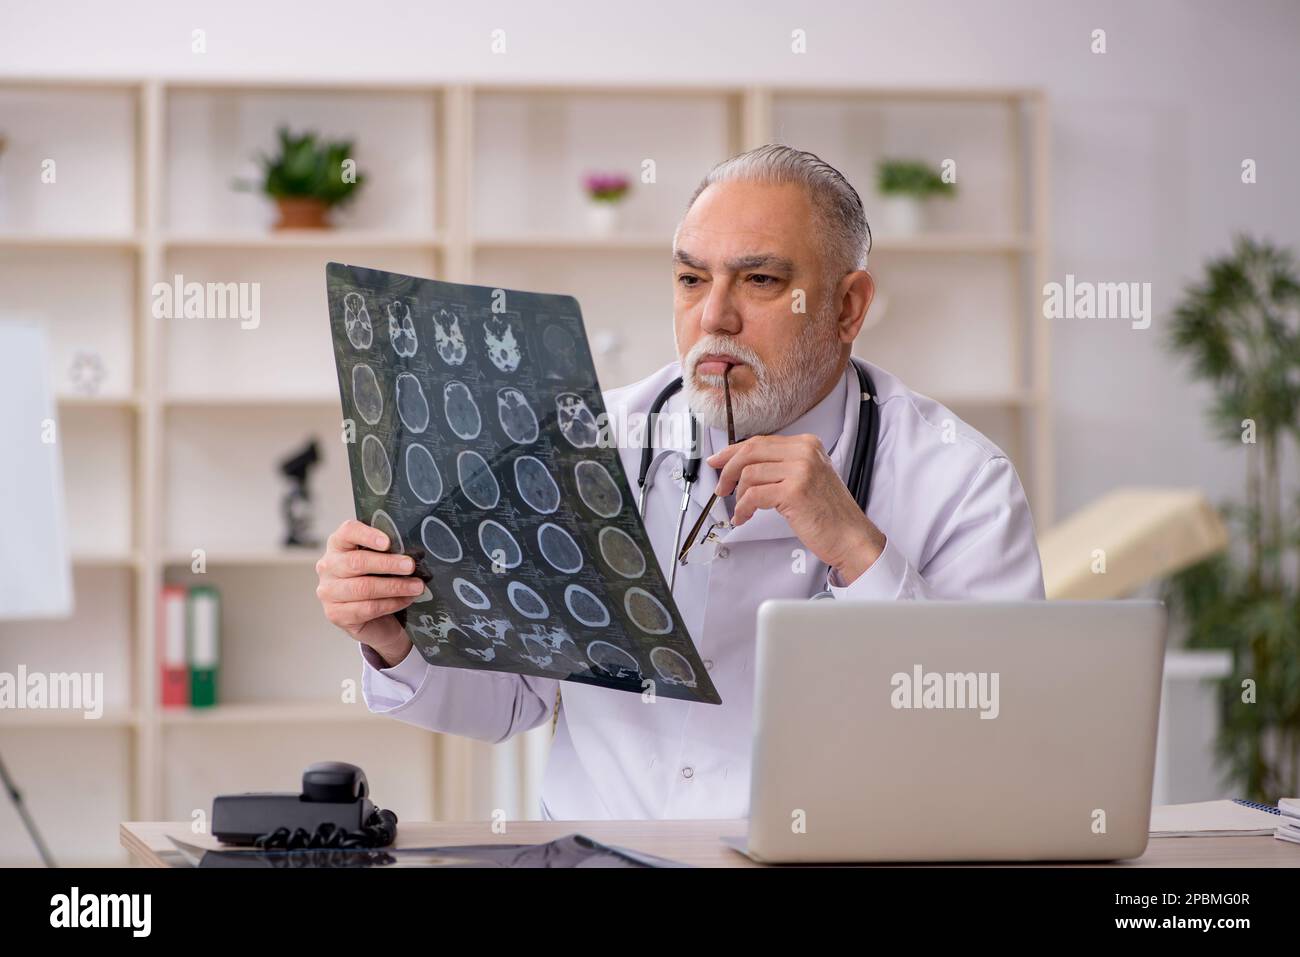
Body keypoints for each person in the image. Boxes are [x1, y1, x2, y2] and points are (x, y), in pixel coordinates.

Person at [314, 144, 1045, 820]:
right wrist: (393, 640)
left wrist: (859, 550)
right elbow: (511, 697)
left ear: (849, 306)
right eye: (692, 278)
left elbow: (994, 744)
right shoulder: (586, 439)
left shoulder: (958, 480)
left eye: (761, 280)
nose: (713, 317)